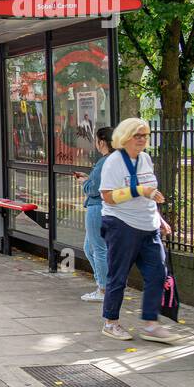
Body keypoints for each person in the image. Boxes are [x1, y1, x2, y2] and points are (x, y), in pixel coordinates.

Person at [99, 118, 177, 344]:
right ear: (125, 137)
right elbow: (108, 197)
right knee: (118, 275)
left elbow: (149, 193)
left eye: (145, 135)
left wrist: (159, 219)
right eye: (138, 135)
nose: (143, 139)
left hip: (148, 225)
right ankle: (111, 322)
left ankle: (151, 325)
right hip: (121, 224)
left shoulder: (145, 159)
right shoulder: (114, 162)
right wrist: (140, 190)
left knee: (157, 274)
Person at [79, 126, 114, 302]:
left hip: (97, 207)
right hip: (103, 206)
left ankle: (104, 288)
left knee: (98, 249)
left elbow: (94, 188)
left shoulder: (104, 161)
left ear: (101, 142)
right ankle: (103, 283)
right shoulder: (115, 160)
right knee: (89, 248)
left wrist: (84, 183)